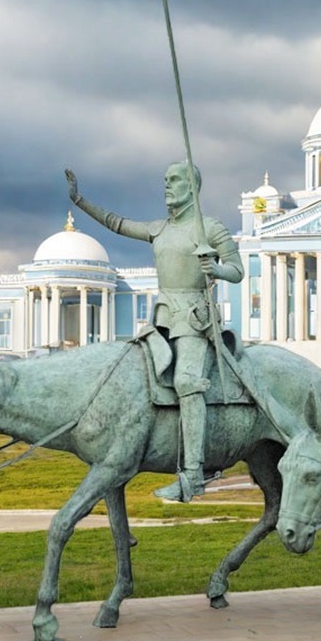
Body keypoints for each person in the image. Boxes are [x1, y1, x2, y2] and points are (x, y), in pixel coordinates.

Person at [66, 162, 243, 502]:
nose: (167, 186)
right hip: (161, 319)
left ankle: (193, 475)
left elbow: (237, 271)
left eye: (174, 180)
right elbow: (116, 223)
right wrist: (79, 200)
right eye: (165, 180)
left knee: (187, 383)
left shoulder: (210, 228)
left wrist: (215, 268)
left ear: (192, 187)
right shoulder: (158, 229)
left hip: (194, 320)